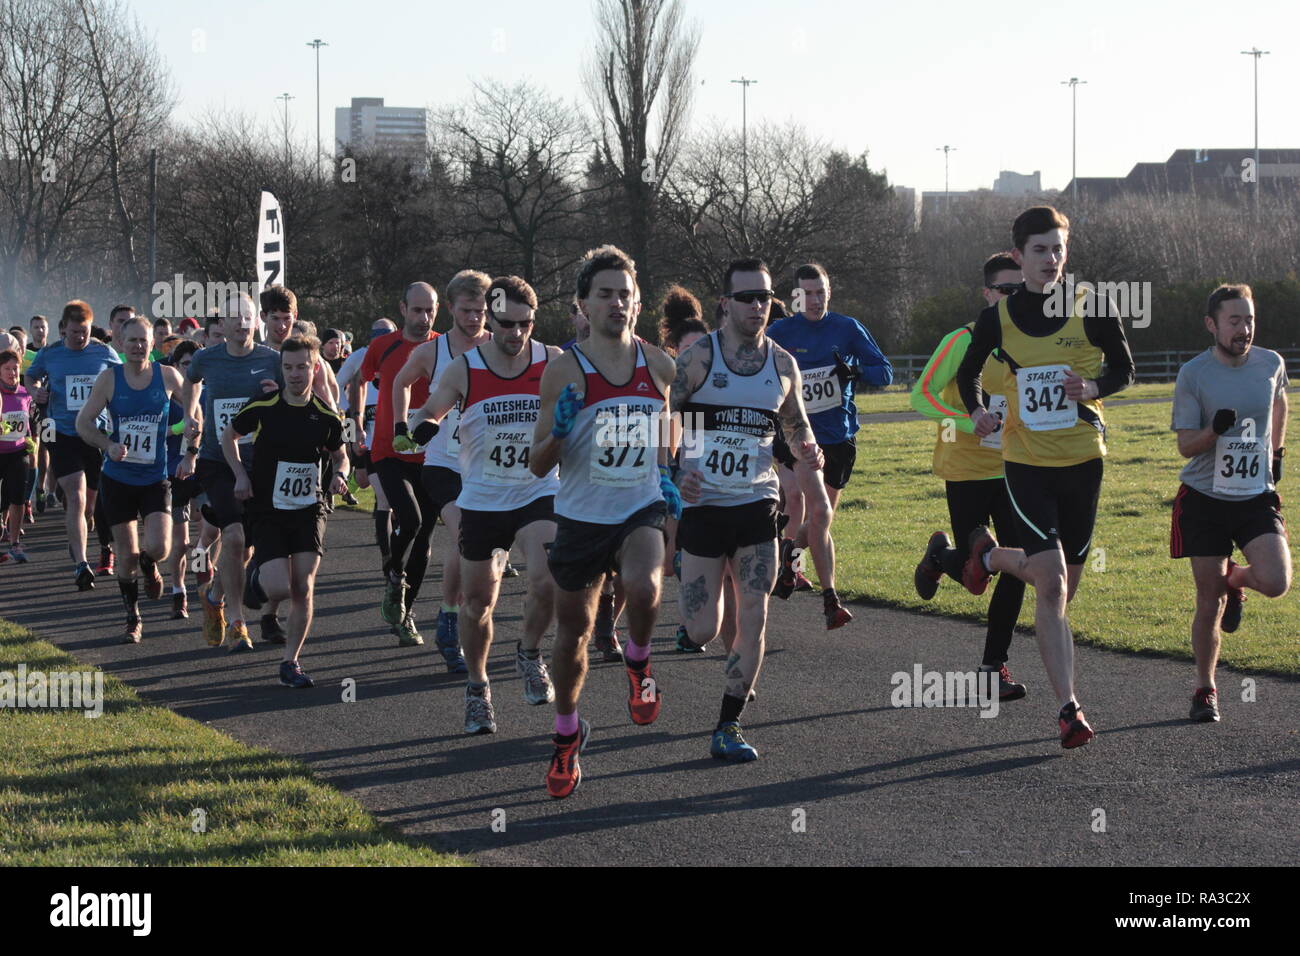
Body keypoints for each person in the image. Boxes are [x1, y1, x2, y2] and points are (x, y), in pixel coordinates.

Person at [956, 205, 1135, 749]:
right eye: (1040, 250)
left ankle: (987, 558)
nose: (1052, 259)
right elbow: (969, 375)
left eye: (1059, 249)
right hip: (1026, 463)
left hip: (1084, 460)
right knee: (1052, 581)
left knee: (1062, 588)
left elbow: (1124, 368)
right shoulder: (1001, 317)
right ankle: (1069, 710)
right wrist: (978, 412)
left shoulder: (1093, 306)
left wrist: (1093, 388)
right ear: (1018, 256)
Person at [529, 244, 679, 799]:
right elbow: (537, 461)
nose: (618, 303)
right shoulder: (562, 370)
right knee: (574, 635)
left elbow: (674, 426)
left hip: (639, 506)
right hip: (580, 516)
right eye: (606, 294)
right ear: (583, 306)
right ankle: (566, 736)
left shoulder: (659, 364)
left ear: (638, 304)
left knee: (644, 586)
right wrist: (561, 431)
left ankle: (639, 664)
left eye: (626, 295)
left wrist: (667, 472)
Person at [671, 257, 823, 760]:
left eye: (764, 297)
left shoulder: (782, 364)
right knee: (702, 629)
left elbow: (796, 423)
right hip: (704, 505)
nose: (757, 306)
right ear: (725, 303)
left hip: (757, 502)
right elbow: (663, 419)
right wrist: (677, 472)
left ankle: (728, 726)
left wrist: (808, 449)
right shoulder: (697, 360)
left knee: (755, 615)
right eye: (746, 297)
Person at [409, 275, 561, 733]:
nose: (516, 334)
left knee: (548, 577)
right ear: (489, 319)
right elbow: (430, 408)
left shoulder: (552, 360)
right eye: (506, 324)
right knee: (478, 603)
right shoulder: (465, 367)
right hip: (483, 496)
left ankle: (529, 652)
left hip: (537, 487)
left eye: (526, 324)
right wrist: (422, 424)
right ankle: (478, 687)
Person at [910, 252, 1029, 700]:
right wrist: (967, 419)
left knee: (1020, 566)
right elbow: (920, 395)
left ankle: (991, 667)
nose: (1014, 298)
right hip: (965, 470)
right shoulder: (962, 340)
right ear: (987, 294)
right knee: (975, 572)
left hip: (1017, 468)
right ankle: (941, 558)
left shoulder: (1036, 343)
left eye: (1021, 290)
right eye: (1005, 290)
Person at [1171, 283, 1290, 722]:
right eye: (1235, 321)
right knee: (1209, 600)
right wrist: (1213, 433)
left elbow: (1280, 404)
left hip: (1255, 495)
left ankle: (1237, 579)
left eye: (1250, 319)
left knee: (1277, 581)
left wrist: (1275, 454)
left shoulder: (1270, 363)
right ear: (1212, 325)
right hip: (1204, 499)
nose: (1245, 329)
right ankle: (1205, 689)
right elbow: (1186, 446)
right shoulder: (1194, 374)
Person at [766, 263, 891, 622]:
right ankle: (829, 598)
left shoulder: (846, 328)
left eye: (820, 291)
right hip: (795, 434)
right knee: (802, 502)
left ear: (829, 292)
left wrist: (855, 372)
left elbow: (884, 372)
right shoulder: (781, 332)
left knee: (821, 519)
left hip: (838, 437)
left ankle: (784, 557)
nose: (815, 299)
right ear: (795, 297)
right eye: (807, 293)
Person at [224, 335, 347, 687]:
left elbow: (341, 455)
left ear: (315, 368)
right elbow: (228, 437)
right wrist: (240, 475)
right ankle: (256, 579)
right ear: (282, 369)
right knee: (279, 587)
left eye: (302, 367)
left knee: (303, 587)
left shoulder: (325, 414)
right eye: (289, 368)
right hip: (268, 508)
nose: (295, 374)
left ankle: (290, 662)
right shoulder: (263, 407)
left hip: (309, 508)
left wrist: (340, 475)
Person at [391, 270, 492, 671]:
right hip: (442, 463)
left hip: (485, 468)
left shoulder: (498, 347)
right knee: (466, 531)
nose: (474, 318)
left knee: (487, 553)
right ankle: (450, 616)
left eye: (482, 311)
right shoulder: (434, 352)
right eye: (467, 310)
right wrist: (403, 427)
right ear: (450, 308)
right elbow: (399, 382)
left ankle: (458, 612)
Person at [178, 292, 283, 651]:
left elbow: (289, 400)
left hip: (258, 463)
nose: (241, 323)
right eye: (233, 317)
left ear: (257, 321)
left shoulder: (272, 359)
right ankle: (238, 622)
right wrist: (191, 414)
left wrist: (278, 393)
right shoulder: (207, 359)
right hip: (217, 461)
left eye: (247, 316)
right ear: (221, 324)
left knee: (246, 551)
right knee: (234, 537)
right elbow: (189, 381)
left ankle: (213, 597)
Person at [76, 317, 184, 643]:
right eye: (132, 340)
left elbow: (195, 408)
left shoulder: (168, 376)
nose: (138, 346)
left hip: (154, 478)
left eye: (143, 341)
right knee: (126, 553)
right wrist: (108, 445)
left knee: (160, 547)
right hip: (118, 479)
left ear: (153, 345)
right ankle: (133, 616)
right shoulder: (109, 380)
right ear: (120, 345)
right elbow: (84, 423)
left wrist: (192, 434)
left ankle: (151, 565)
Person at [359, 282, 438, 648]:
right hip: (389, 451)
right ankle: (393, 573)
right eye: (418, 310)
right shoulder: (382, 345)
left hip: (431, 455)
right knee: (412, 518)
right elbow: (359, 381)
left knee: (424, 542)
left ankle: (405, 611)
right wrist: (357, 422)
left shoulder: (444, 347)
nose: (424, 318)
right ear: (403, 309)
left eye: (431, 310)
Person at [24, 300, 122, 590]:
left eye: (85, 331)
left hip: (94, 435)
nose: (80, 337)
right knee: (76, 497)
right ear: (64, 328)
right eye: (75, 332)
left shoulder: (103, 352)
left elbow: (125, 376)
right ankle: (81, 564)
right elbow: (31, 375)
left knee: (89, 507)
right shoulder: (50, 353)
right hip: (63, 432)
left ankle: (78, 531)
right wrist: (34, 390)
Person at [338, 318, 397, 572]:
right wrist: (350, 417)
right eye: (377, 337)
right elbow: (337, 386)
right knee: (373, 489)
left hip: (401, 443)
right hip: (369, 440)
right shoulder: (360, 356)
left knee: (399, 503)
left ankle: (398, 543)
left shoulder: (406, 353)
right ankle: (388, 558)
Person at [165, 340, 203, 619]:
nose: (190, 371)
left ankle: (203, 575)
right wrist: (180, 426)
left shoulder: (207, 393)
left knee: (208, 532)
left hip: (204, 469)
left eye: (194, 365)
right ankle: (179, 591)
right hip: (172, 472)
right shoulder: (164, 397)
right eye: (185, 365)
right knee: (179, 540)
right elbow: (153, 430)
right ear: (175, 368)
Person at [0, 351, 33, 562]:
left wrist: (30, 440)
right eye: (7, 369)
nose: (13, 373)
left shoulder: (25, 393)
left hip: (18, 452)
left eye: (16, 368)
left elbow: (27, 421)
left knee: (18, 498)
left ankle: (15, 544)